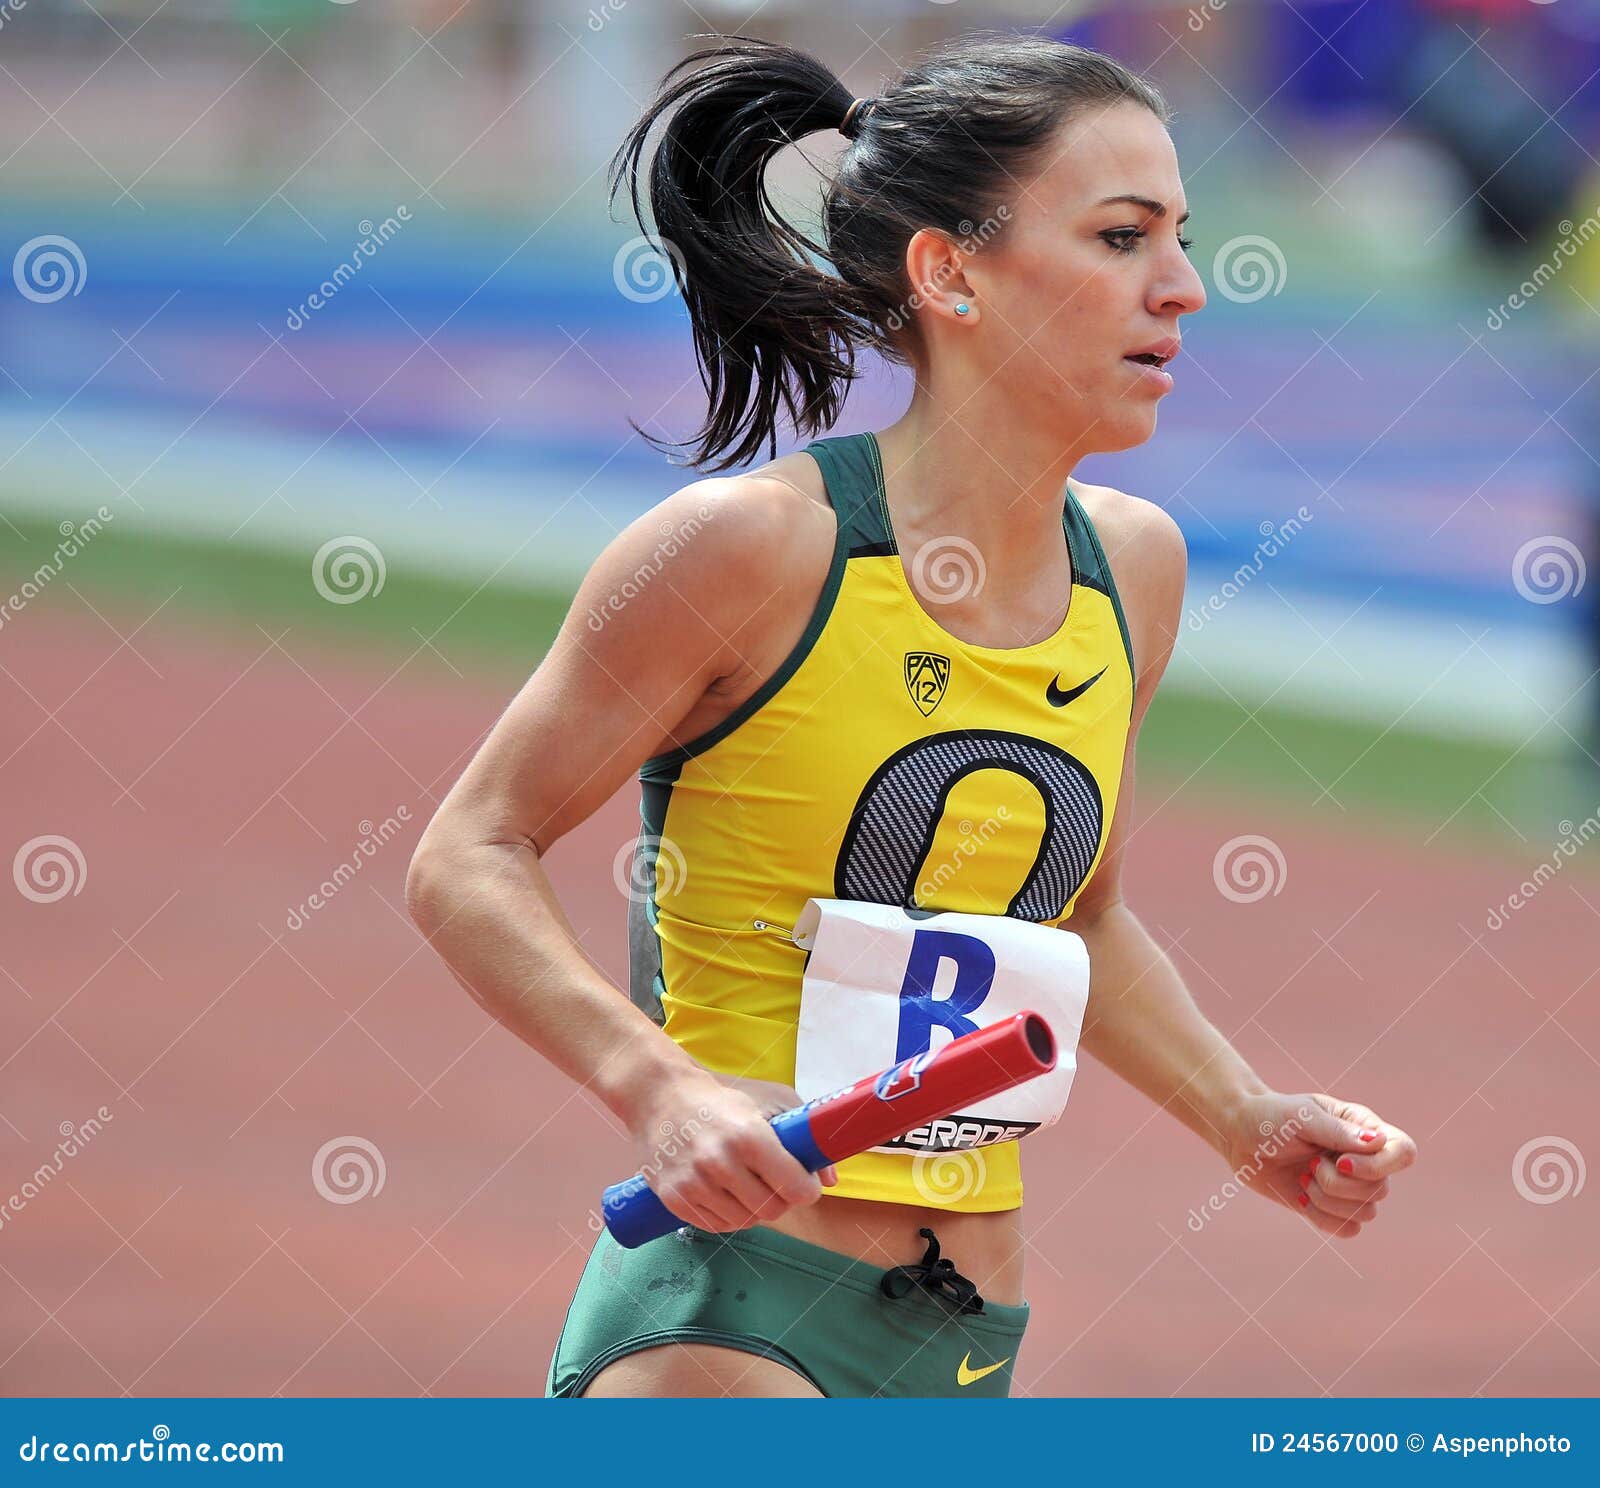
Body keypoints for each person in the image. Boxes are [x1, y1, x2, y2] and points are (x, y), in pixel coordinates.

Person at [406, 32, 1418, 1400]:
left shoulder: (1133, 571)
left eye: (1181, 237)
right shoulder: (749, 552)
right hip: (732, 1317)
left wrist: (1242, 1114)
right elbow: (468, 853)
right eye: (1122, 237)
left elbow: (1073, 917)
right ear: (950, 273)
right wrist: (655, 1088)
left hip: (965, 1331)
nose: (1182, 287)